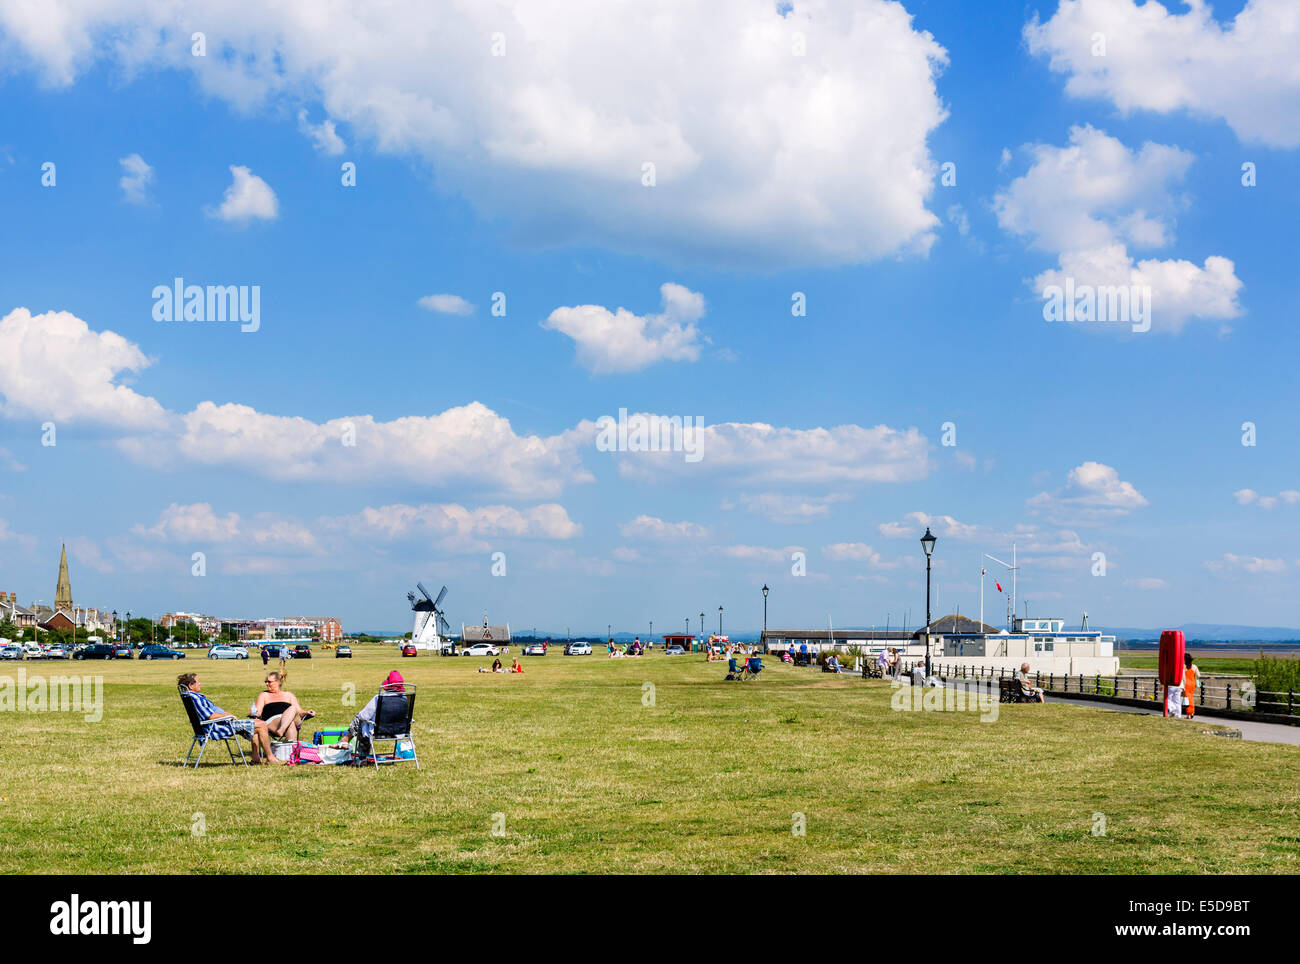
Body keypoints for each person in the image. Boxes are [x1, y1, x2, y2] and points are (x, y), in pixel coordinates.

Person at [178, 672, 276, 765]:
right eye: (198, 681)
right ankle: (271, 758)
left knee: (256, 723)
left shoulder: (189, 696)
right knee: (261, 724)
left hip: (216, 724)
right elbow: (210, 716)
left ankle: (256, 758)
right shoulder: (195, 698)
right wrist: (227, 716)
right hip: (217, 727)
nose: (200, 683)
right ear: (191, 685)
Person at [342, 671, 408, 758]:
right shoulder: (404, 699)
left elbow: (363, 716)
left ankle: (359, 754)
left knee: (359, 720)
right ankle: (346, 740)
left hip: (380, 731)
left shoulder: (379, 698)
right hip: (399, 731)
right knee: (362, 720)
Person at [252, 671, 315, 743]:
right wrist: (254, 714)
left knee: (293, 708)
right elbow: (258, 712)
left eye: (269, 682)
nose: (266, 684)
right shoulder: (263, 695)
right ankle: (291, 752)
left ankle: (282, 729)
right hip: (273, 722)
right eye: (265, 682)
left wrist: (307, 712)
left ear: (278, 682)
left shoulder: (289, 695)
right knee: (290, 724)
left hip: (291, 719)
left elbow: (299, 711)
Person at [1183, 653, 1199, 719]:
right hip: (1193, 684)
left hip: (1186, 684)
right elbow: (1199, 675)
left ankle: (1189, 714)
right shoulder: (1194, 666)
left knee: (1188, 699)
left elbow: (1182, 675)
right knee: (1191, 698)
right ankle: (1192, 712)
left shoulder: (1183, 666)